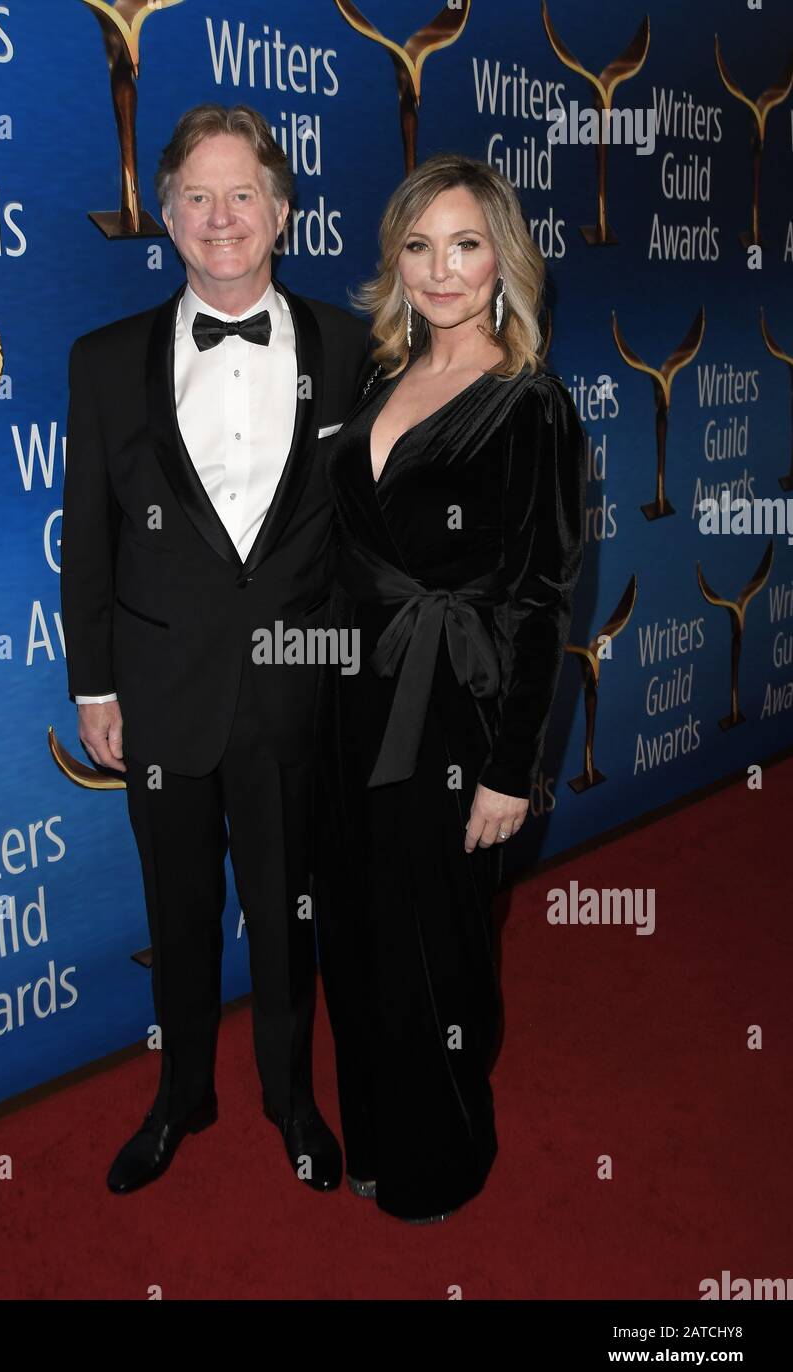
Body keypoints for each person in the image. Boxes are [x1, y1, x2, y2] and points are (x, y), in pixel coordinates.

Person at [60, 104, 371, 1195]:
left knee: (292, 915)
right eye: (197, 194)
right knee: (176, 908)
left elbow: (375, 539)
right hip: (159, 692)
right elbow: (88, 541)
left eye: (244, 194)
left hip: (297, 696)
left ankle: (294, 1100)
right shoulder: (102, 363)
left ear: (282, 212)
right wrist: (93, 684)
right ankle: (181, 1092)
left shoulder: (351, 349)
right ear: (168, 216)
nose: (221, 216)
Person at [313, 153, 586, 1223]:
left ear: (503, 260)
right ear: (396, 264)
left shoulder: (533, 406)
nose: (441, 269)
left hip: (458, 713)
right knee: (360, 925)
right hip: (356, 699)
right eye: (418, 246)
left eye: (465, 244)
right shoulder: (382, 383)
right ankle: (377, 1136)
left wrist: (511, 770)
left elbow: (540, 599)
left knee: (439, 938)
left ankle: (444, 1155)